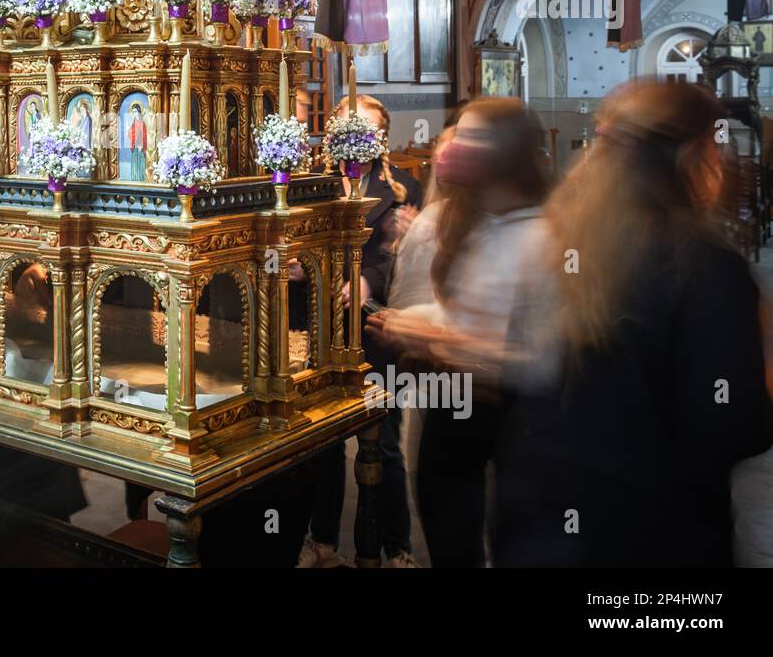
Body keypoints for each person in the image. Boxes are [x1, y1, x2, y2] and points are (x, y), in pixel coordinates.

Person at [492, 82, 772, 566]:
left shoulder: (555, 244)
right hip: (648, 534)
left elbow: (517, 378)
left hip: (537, 513)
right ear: (692, 157)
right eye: (716, 145)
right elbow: (726, 428)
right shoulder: (702, 264)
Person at [367, 97, 551, 567]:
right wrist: (423, 319)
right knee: (451, 532)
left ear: (506, 153)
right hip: (456, 403)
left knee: (520, 537)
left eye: (472, 138)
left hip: (519, 415)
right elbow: (467, 307)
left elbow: (544, 355)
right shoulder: (466, 218)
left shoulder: (546, 234)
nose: (452, 149)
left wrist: (442, 338)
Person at [297, 94, 424, 568]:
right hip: (319, 329)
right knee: (323, 443)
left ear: (381, 138)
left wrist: (371, 276)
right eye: (347, 130)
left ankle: (396, 547)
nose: (356, 141)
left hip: (374, 332)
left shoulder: (404, 189)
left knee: (384, 443)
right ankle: (322, 540)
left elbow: (405, 257)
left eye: (366, 131)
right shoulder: (313, 185)